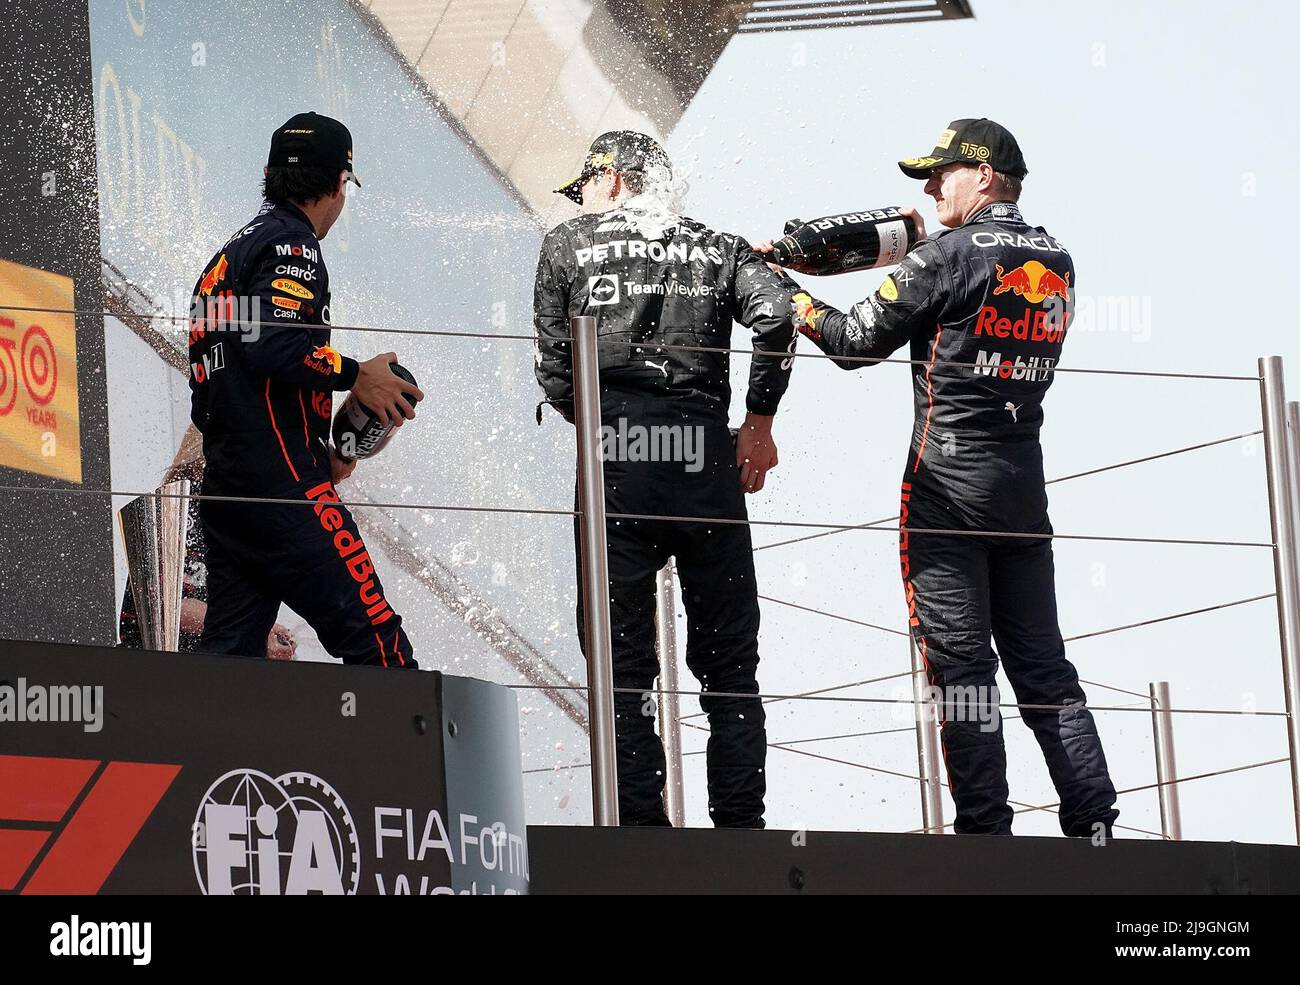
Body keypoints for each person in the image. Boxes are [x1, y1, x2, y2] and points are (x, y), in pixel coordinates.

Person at [761, 118, 1119, 837]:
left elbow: (855, 342)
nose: (931, 186)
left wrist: (788, 293)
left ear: (983, 175)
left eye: (941, 173)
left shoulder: (948, 255)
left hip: (944, 493)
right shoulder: (1059, 257)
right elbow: (969, 284)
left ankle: (985, 837)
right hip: (1022, 490)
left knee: (962, 675)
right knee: (1045, 667)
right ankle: (1096, 823)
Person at [535, 131, 797, 827]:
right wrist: (759, 423)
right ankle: (741, 828)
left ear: (614, 179)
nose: (580, 201)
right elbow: (777, 320)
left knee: (621, 670)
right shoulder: (720, 245)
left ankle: (643, 830)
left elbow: (556, 373)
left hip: (615, 450)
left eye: (584, 186)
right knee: (731, 665)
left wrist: (600, 422)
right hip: (705, 456)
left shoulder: (568, 245)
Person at [188, 112, 423, 669]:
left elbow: (229, 379)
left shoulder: (227, 255)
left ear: (268, 173)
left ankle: (208, 757)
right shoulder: (291, 243)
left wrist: (326, 448)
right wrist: (356, 375)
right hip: (284, 490)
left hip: (226, 491)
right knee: (380, 647)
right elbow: (276, 343)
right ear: (340, 183)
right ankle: (401, 755)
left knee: (229, 666)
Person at [118, 425, 297, 659]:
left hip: (207, 667)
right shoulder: (181, 505)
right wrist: (259, 634)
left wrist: (270, 633)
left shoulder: (239, 516)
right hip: (153, 667)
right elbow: (172, 606)